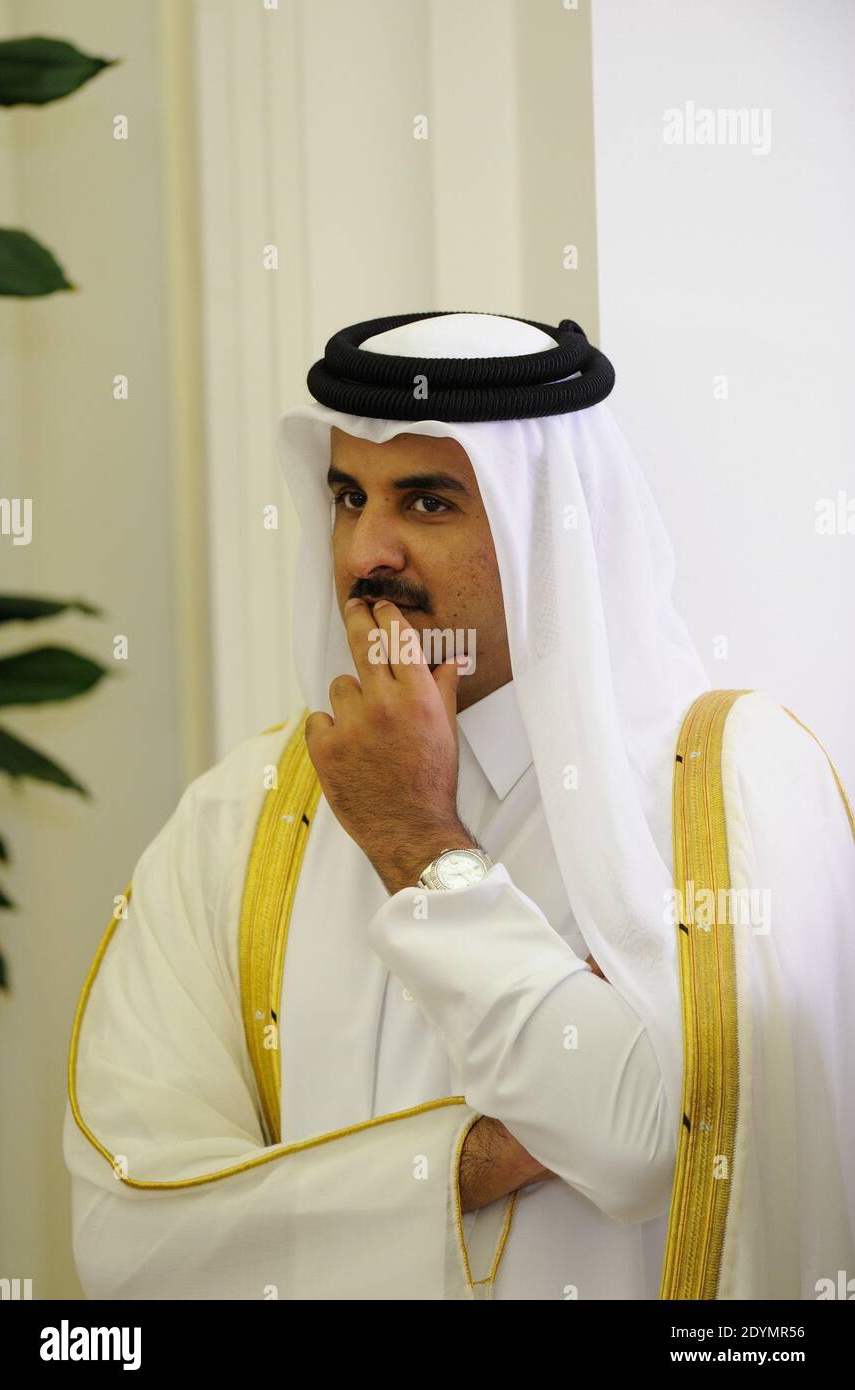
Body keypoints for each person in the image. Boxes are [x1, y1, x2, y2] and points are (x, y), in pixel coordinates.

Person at [64, 311, 855, 1300]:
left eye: (427, 501)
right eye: (349, 495)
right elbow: (132, 1231)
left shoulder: (727, 785)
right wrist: (474, 1159)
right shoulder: (241, 817)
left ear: (547, 534)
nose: (367, 550)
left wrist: (417, 840)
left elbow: (652, 1146)